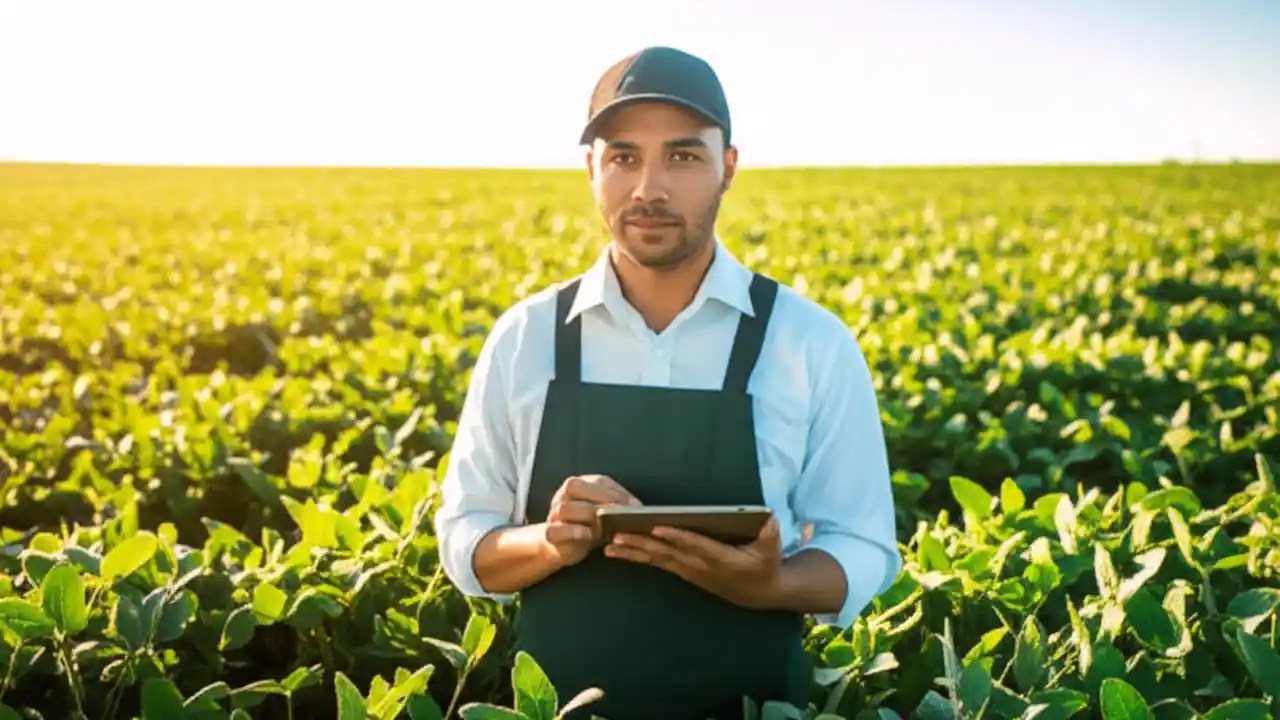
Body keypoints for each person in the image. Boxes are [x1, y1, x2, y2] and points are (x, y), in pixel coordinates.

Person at [433, 46, 902, 720]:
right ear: (590, 168)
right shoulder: (526, 337)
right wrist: (549, 542)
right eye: (623, 156)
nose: (648, 188)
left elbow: (861, 545)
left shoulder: (810, 343)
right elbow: (465, 536)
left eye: (682, 157)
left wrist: (769, 584)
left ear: (728, 167)